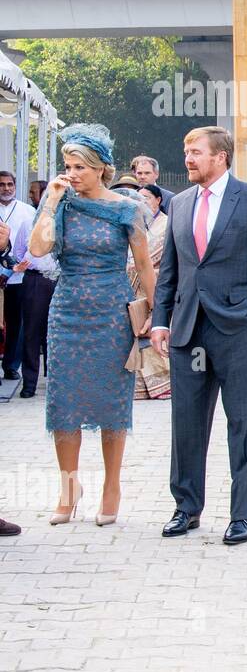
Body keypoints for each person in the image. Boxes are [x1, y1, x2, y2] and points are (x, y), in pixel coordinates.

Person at [150, 126, 247, 546]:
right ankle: (186, 508)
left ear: (221, 157)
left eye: (195, 152)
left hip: (236, 331)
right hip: (188, 329)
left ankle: (242, 515)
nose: (188, 159)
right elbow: (170, 272)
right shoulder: (179, 205)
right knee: (187, 424)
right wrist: (161, 320)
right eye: (186, 151)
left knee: (243, 423)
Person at [29, 124, 155, 527]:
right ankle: (68, 489)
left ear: (101, 168)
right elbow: (36, 250)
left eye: (80, 166)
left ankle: (112, 486)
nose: (72, 173)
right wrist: (50, 202)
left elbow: (143, 264)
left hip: (112, 314)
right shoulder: (62, 204)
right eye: (67, 166)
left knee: (110, 404)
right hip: (66, 313)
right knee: (64, 404)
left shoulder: (126, 208)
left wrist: (155, 313)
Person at [8, 185, 59, 398]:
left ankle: (55, 381)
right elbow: (18, 251)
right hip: (35, 279)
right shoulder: (30, 221)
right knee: (31, 331)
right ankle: (29, 383)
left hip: (60, 279)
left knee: (56, 332)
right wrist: (23, 264)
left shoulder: (65, 221)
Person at [127, 183, 170, 400]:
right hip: (132, 291)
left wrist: (152, 273)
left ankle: (163, 385)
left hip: (158, 288)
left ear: (158, 200)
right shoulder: (134, 224)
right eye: (138, 198)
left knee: (154, 332)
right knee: (135, 336)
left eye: (147, 198)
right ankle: (139, 388)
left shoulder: (166, 224)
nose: (142, 202)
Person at [0, 170, 36, 381]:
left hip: (18, 276)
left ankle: (12, 365)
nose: (6, 188)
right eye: (2, 185)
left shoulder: (27, 211)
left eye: (9, 184)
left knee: (16, 323)